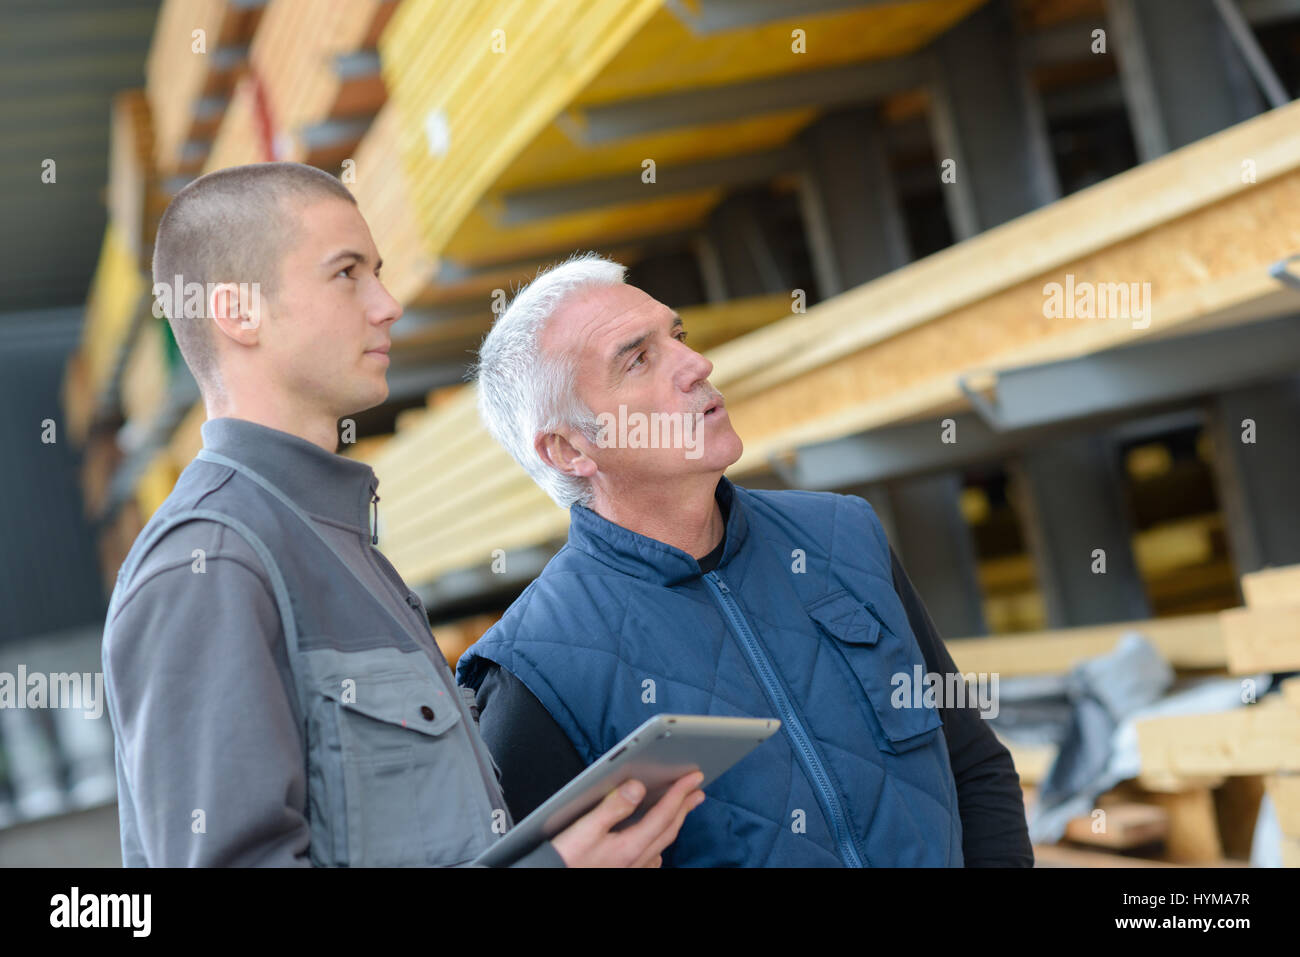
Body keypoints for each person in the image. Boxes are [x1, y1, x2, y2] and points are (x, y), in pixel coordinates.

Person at [102, 163, 703, 867]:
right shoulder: (208, 562)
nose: (387, 303)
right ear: (238, 311)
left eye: (378, 272)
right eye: (347, 273)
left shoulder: (336, 539)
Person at [458, 253, 1034, 867]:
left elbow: (972, 763)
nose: (697, 364)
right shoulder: (535, 666)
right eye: (638, 359)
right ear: (571, 449)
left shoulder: (843, 536)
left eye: (677, 336)